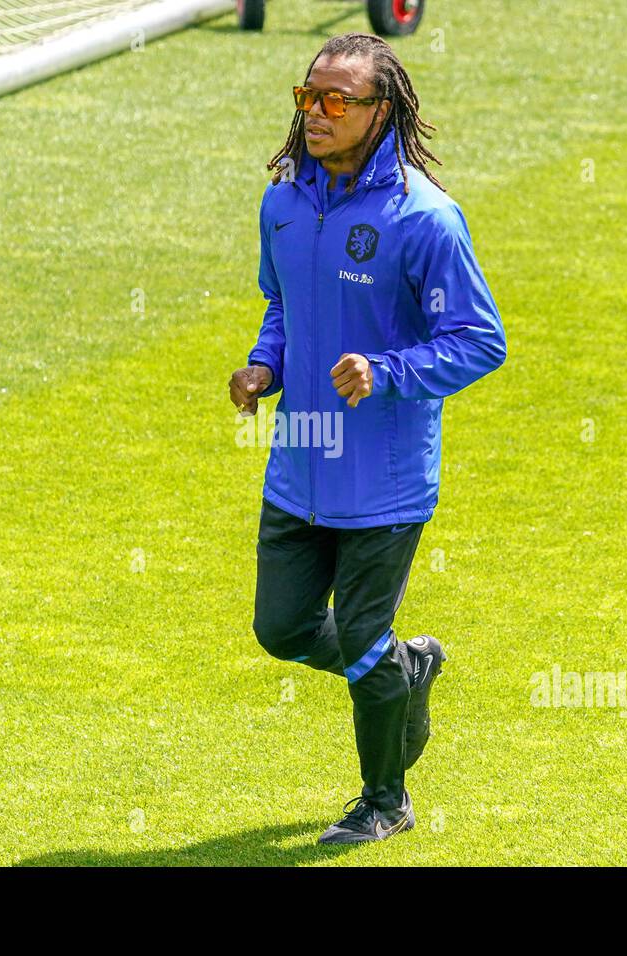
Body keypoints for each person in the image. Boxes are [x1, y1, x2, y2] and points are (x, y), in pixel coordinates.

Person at [227, 32, 507, 845]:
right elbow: (283, 307)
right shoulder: (282, 203)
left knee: (359, 638)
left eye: (336, 101)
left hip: (382, 482)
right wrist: (261, 367)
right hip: (298, 468)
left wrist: (385, 371)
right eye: (307, 97)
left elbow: (479, 340)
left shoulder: (425, 219)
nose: (315, 114)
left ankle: (385, 799)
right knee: (281, 630)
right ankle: (405, 669)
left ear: (380, 113)